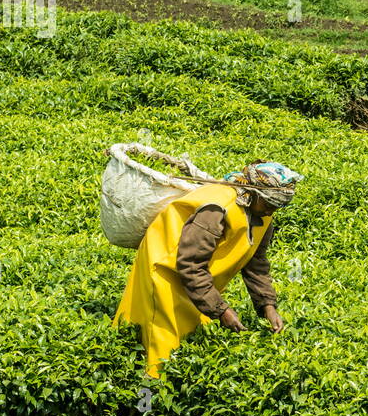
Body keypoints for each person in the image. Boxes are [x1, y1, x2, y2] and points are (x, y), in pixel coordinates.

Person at [113, 160, 304, 378]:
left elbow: (256, 262)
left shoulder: (263, 212)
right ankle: (150, 390)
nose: (272, 210)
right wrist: (221, 310)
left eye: (278, 206)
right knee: (162, 337)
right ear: (253, 193)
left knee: (193, 332)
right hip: (164, 266)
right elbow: (190, 265)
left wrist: (267, 305)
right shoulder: (216, 210)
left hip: (199, 272)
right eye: (269, 204)